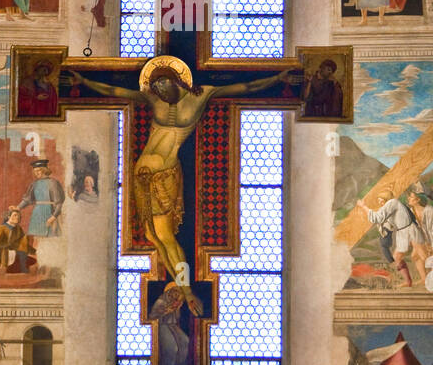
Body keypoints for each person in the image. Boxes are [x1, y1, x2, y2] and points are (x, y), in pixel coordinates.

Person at [64, 55, 295, 312]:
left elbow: (246, 87)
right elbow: (114, 90)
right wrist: (84, 80)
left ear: (177, 82)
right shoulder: (152, 99)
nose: (161, 90)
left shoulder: (201, 96)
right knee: (153, 236)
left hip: (164, 176)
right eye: (157, 87)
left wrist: (276, 78)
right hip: (142, 177)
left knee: (166, 237)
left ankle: (186, 290)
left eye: (164, 84)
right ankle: (179, 283)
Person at [356, 186, 423, 287]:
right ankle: (408, 281)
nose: (380, 204)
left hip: (409, 230)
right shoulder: (390, 206)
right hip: (402, 232)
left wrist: (364, 206)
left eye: (381, 201)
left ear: (386, 199)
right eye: (379, 201)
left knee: (423, 255)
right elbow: (384, 220)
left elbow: (377, 218)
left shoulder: (392, 203)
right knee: (397, 257)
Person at [17, 158, 65, 243]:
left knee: (50, 239)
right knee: (36, 239)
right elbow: (28, 199)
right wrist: (18, 207)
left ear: (44, 170)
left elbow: (59, 203)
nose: (36, 173)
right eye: (35, 171)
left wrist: (53, 217)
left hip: (50, 213)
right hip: (37, 214)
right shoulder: (34, 184)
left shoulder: (53, 183)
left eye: (38, 171)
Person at [0, 207, 37, 273]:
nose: (17, 217)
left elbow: (23, 244)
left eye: (19, 216)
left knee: (23, 253)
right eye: (15, 215)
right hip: (0, 254)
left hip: (13, 252)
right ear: (9, 217)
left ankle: (24, 273)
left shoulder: (18, 229)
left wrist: (35, 252)